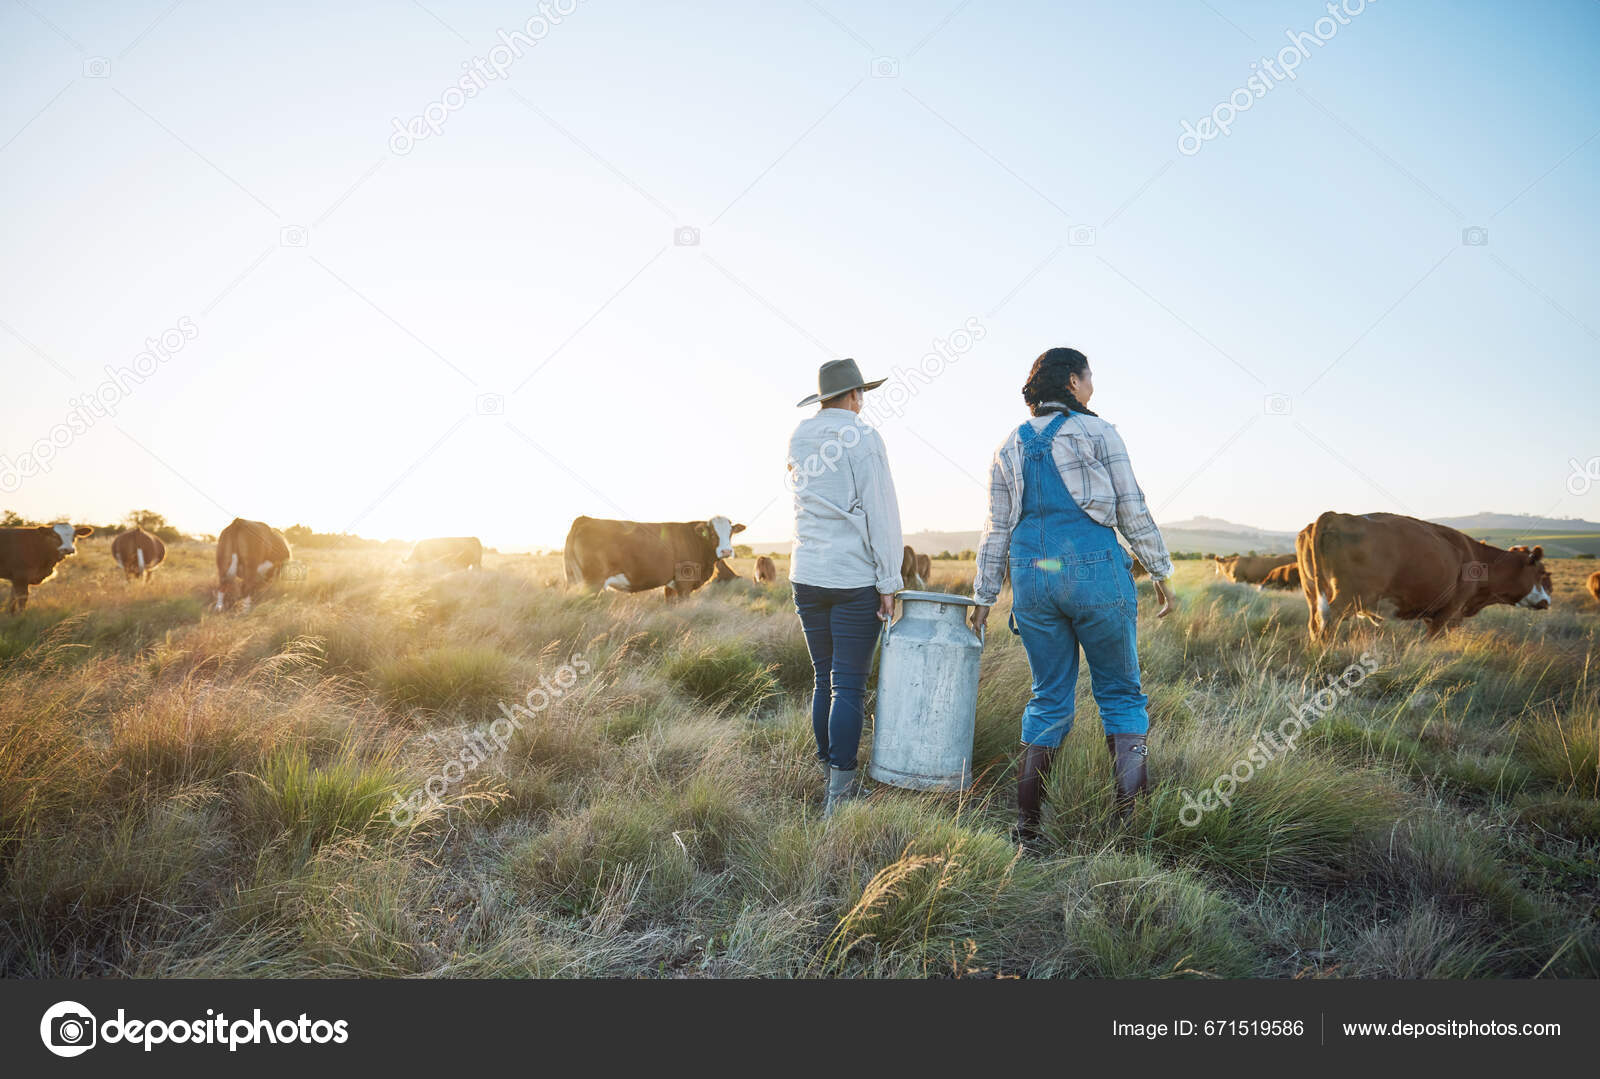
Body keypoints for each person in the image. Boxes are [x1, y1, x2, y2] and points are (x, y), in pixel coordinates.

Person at [970, 348, 1176, 849]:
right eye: (1089, 379)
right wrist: (1159, 570)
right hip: (1095, 572)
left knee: (1048, 697)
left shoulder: (1007, 446)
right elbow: (1132, 505)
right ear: (1073, 382)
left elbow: (997, 528)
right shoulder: (1100, 432)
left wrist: (983, 595)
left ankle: (1027, 834)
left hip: (1032, 578)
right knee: (1122, 695)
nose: (1092, 389)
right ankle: (1130, 838)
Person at [787, 358, 905, 816]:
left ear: (823, 398)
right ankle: (840, 793)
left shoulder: (799, 436)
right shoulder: (864, 437)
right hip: (853, 576)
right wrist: (889, 581)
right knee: (849, 685)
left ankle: (828, 772)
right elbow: (882, 511)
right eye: (862, 396)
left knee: (824, 678)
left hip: (807, 572)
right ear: (855, 396)